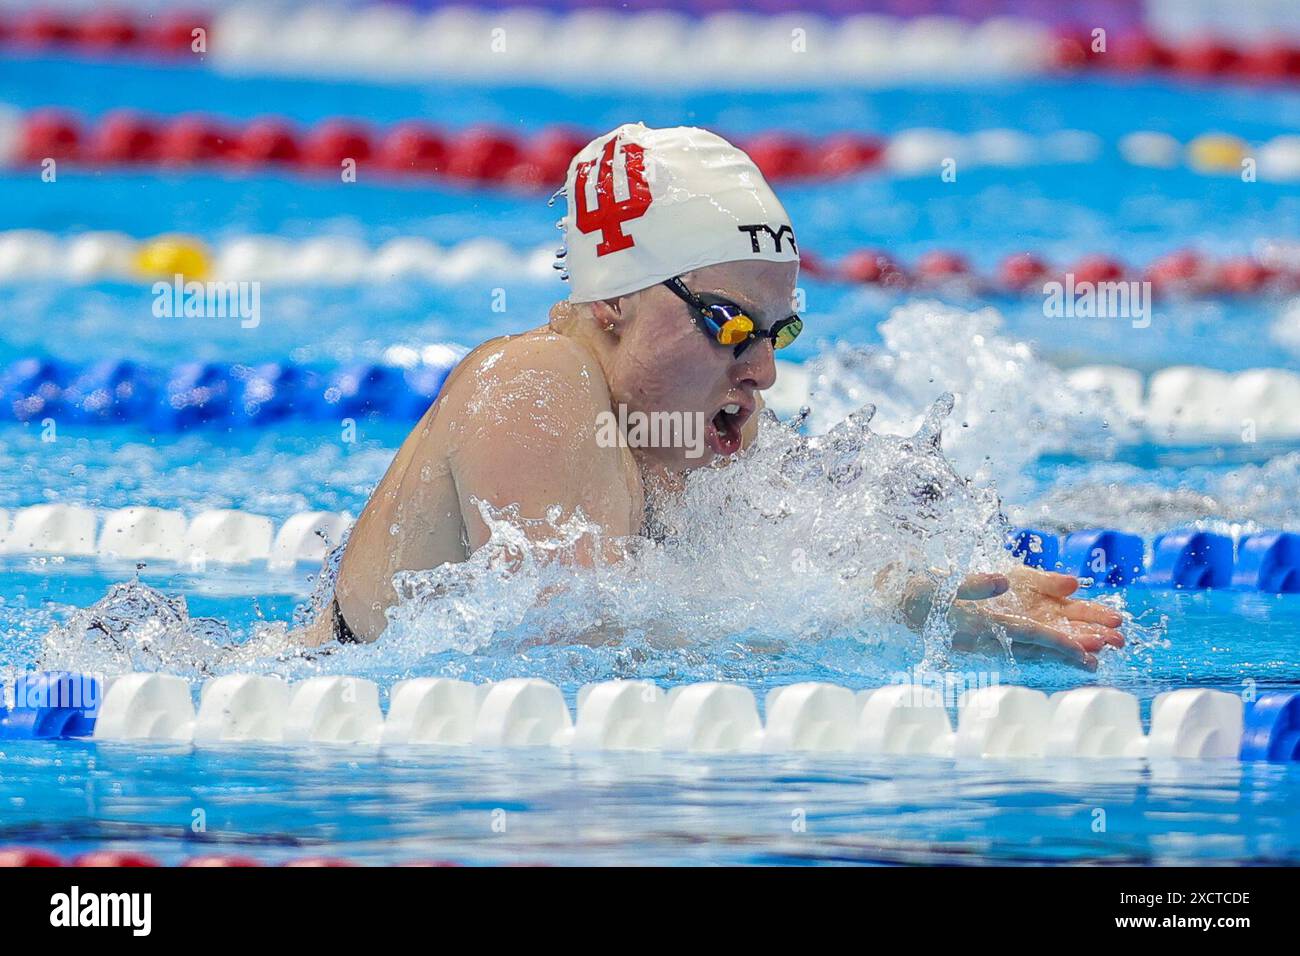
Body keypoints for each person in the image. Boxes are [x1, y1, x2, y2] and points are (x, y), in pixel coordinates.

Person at [300, 123, 1123, 668]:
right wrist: (883, 614)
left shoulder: (684, 439)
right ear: (614, 302)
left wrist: (939, 589)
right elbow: (568, 648)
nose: (761, 370)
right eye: (729, 325)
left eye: (777, 333)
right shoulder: (533, 383)